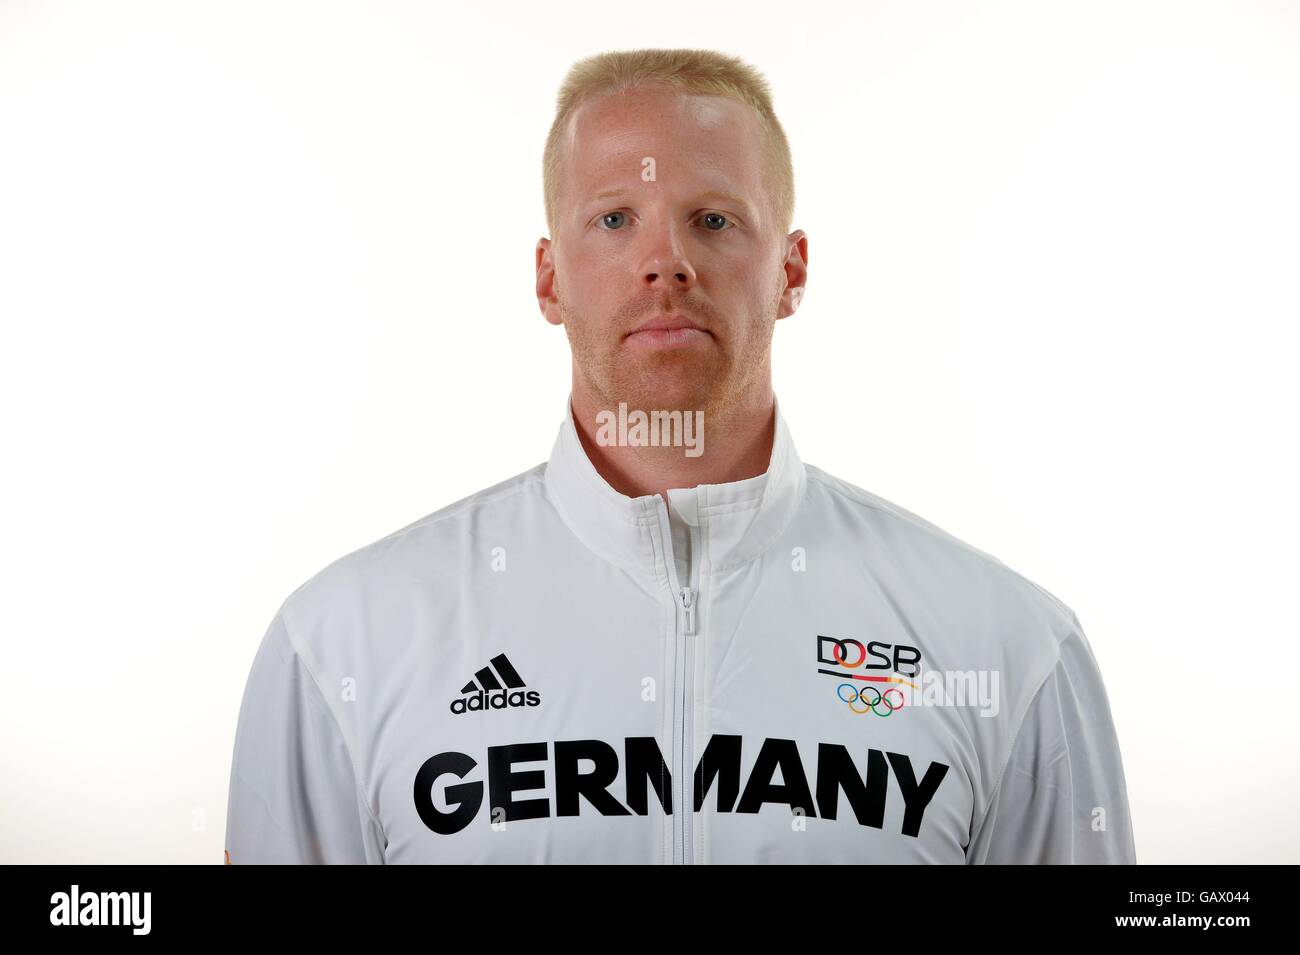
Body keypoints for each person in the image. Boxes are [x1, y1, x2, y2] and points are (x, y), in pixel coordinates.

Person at [224, 48, 1136, 864]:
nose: (665, 262)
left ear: (792, 270)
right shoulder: (346, 642)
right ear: (549, 277)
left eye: (712, 219)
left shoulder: (1008, 647)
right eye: (615, 219)